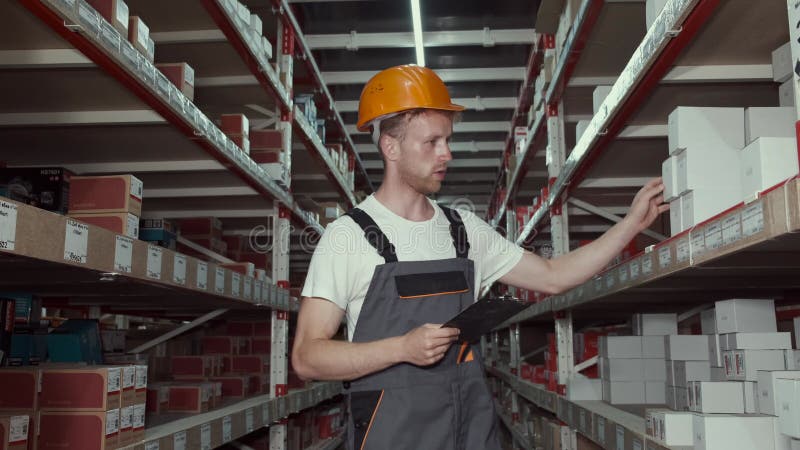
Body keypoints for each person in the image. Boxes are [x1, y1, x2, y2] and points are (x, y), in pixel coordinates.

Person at [292, 64, 668, 450]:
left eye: (448, 140)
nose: (447, 154)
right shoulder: (349, 237)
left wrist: (629, 226)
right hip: (393, 435)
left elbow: (554, 275)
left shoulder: (465, 231)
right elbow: (307, 356)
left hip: (469, 430)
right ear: (390, 146)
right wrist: (401, 348)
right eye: (432, 142)